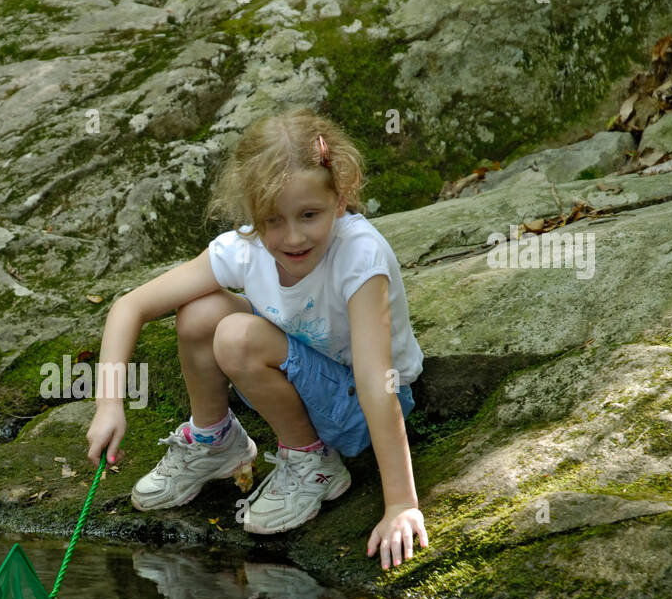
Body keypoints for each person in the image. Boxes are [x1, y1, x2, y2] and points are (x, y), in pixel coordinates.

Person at [84, 108, 428, 570]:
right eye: (272, 221)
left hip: (360, 410)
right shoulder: (245, 250)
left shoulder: (359, 257)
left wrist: (401, 504)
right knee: (200, 312)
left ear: (341, 200)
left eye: (310, 215)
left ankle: (313, 465)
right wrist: (109, 404)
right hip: (303, 376)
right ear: (252, 213)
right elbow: (131, 306)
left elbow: (375, 379)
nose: (293, 236)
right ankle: (215, 440)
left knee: (236, 336)